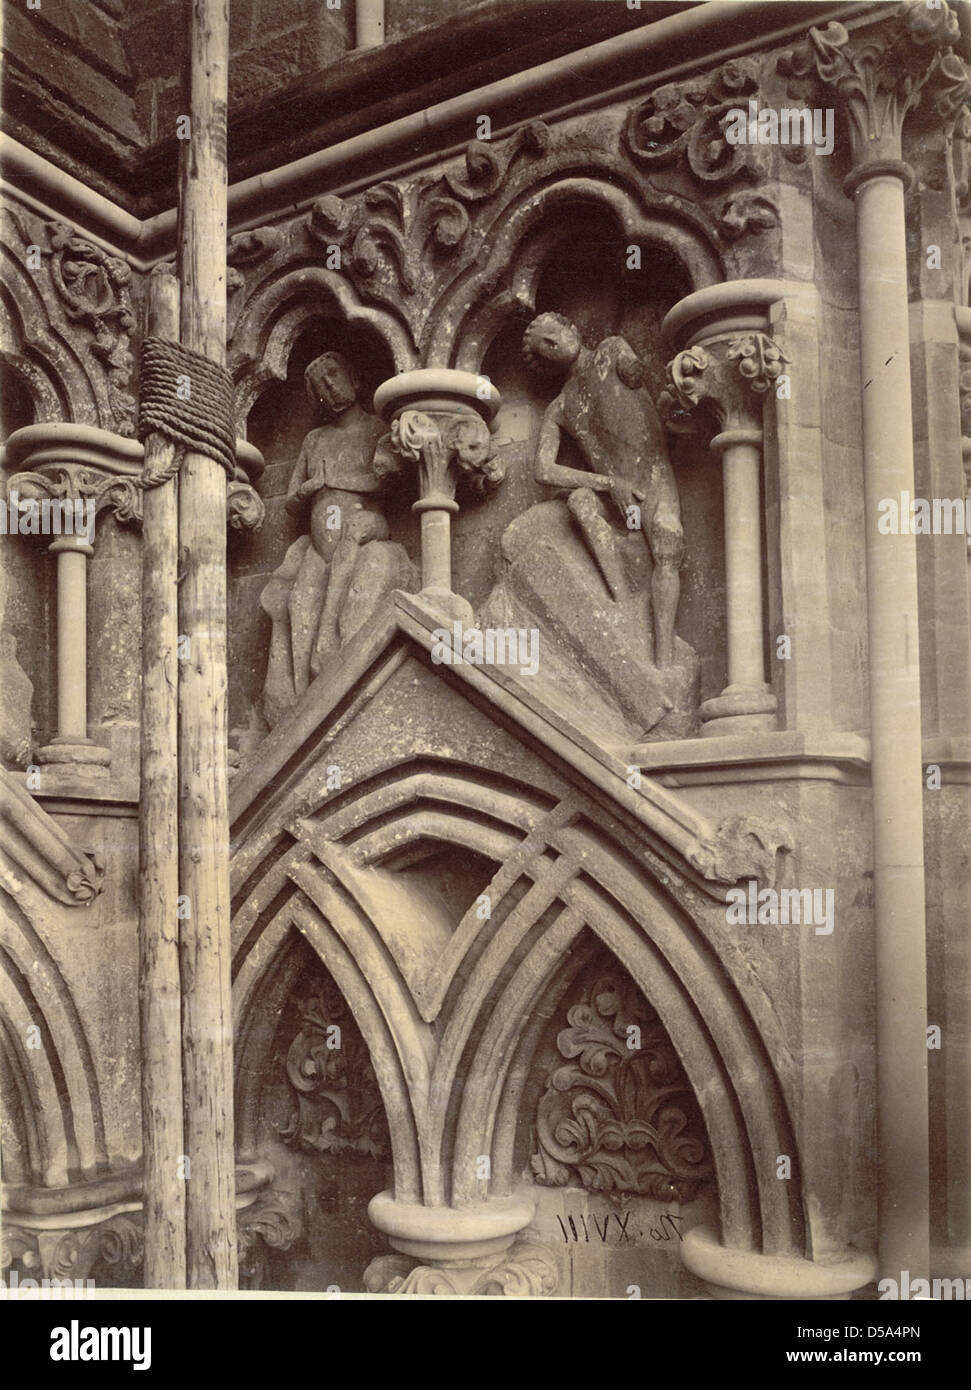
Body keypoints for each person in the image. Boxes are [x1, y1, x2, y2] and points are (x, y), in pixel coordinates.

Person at [522, 312, 684, 668]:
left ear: (572, 328)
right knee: (580, 500)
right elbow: (542, 469)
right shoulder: (561, 406)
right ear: (545, 364)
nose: (555, 345)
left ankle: (665, 660)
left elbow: (637, 373)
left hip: (653, 477)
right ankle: (622, 605)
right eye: (546, 348)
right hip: (617, 497)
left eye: (556, 334)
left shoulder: (611, 350)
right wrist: (608, 484)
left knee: (668, 548)